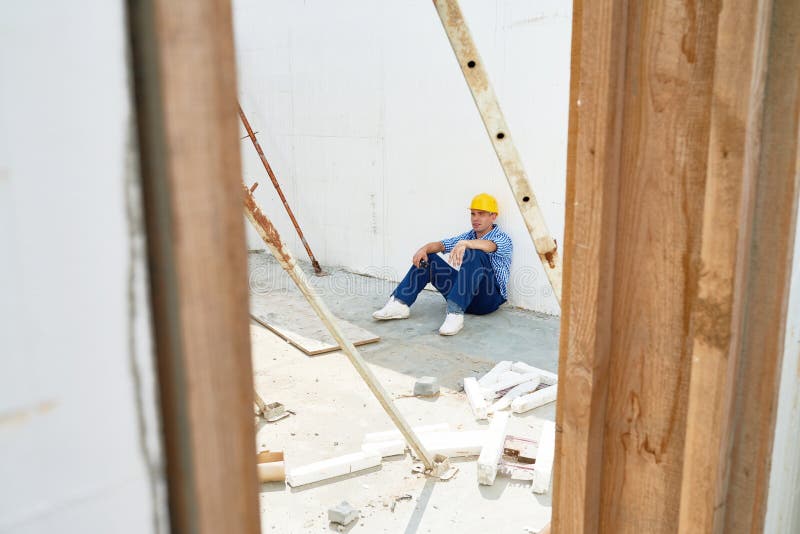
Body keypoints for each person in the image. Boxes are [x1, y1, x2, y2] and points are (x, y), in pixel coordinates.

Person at [372, 193, 513, 336]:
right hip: (466, 297)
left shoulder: (502, 238)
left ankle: (455, 314)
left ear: (493, 216)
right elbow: (441, 245)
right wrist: (424, 249)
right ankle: (400, 303)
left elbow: (489, 246)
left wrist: (467, 244)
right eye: (473, 214)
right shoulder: (468, 236)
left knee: (475, 252)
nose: (475, 218)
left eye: (481, 214)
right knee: (429, 258)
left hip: (488, 299)